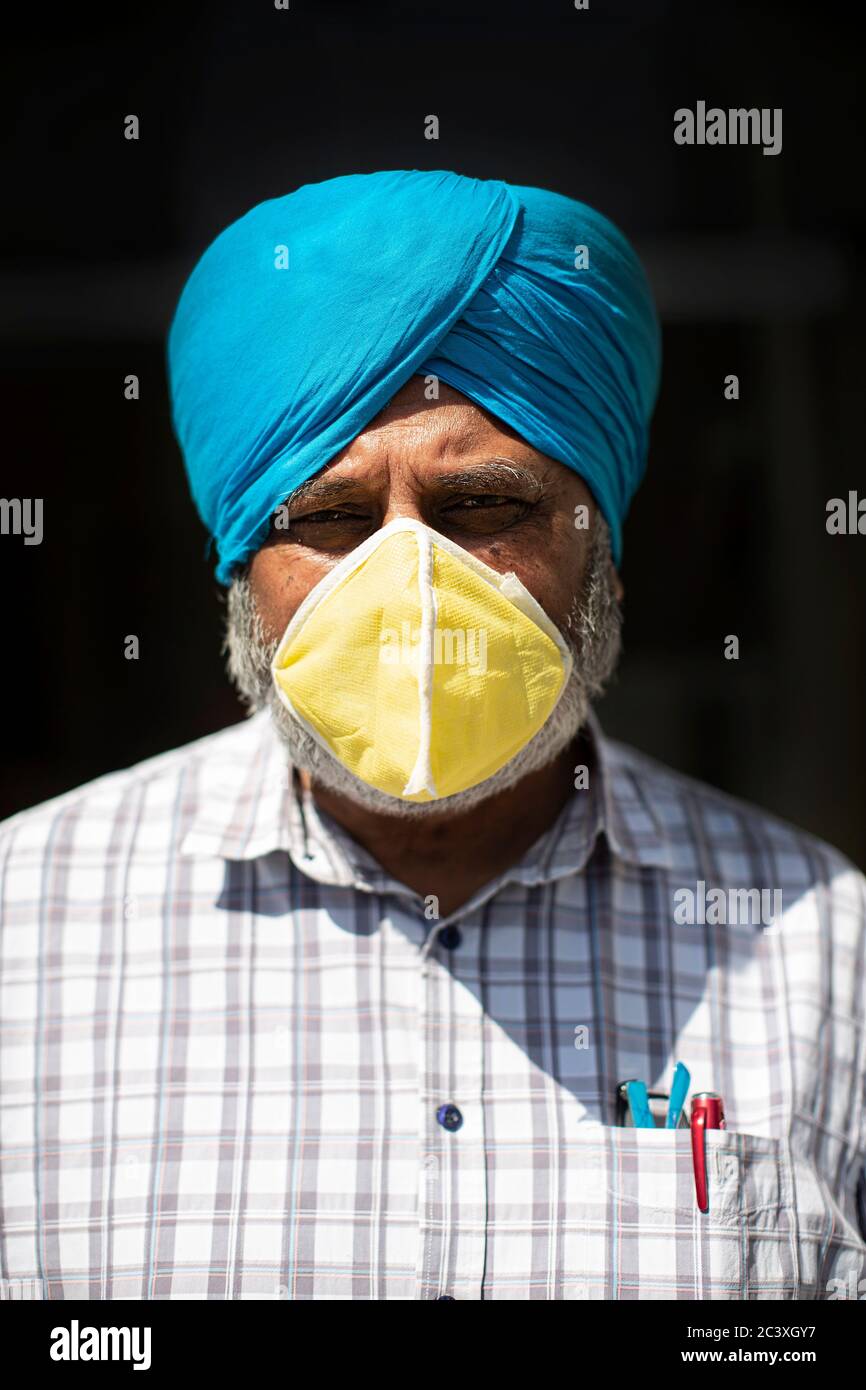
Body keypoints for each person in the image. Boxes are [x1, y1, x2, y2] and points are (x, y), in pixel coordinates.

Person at [0, 171, 863, 1301]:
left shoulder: (822, 951)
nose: (408, 588)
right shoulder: (23, 927)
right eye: (327, 519)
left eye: (482, 509)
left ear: (599, 544)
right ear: (237, 570)